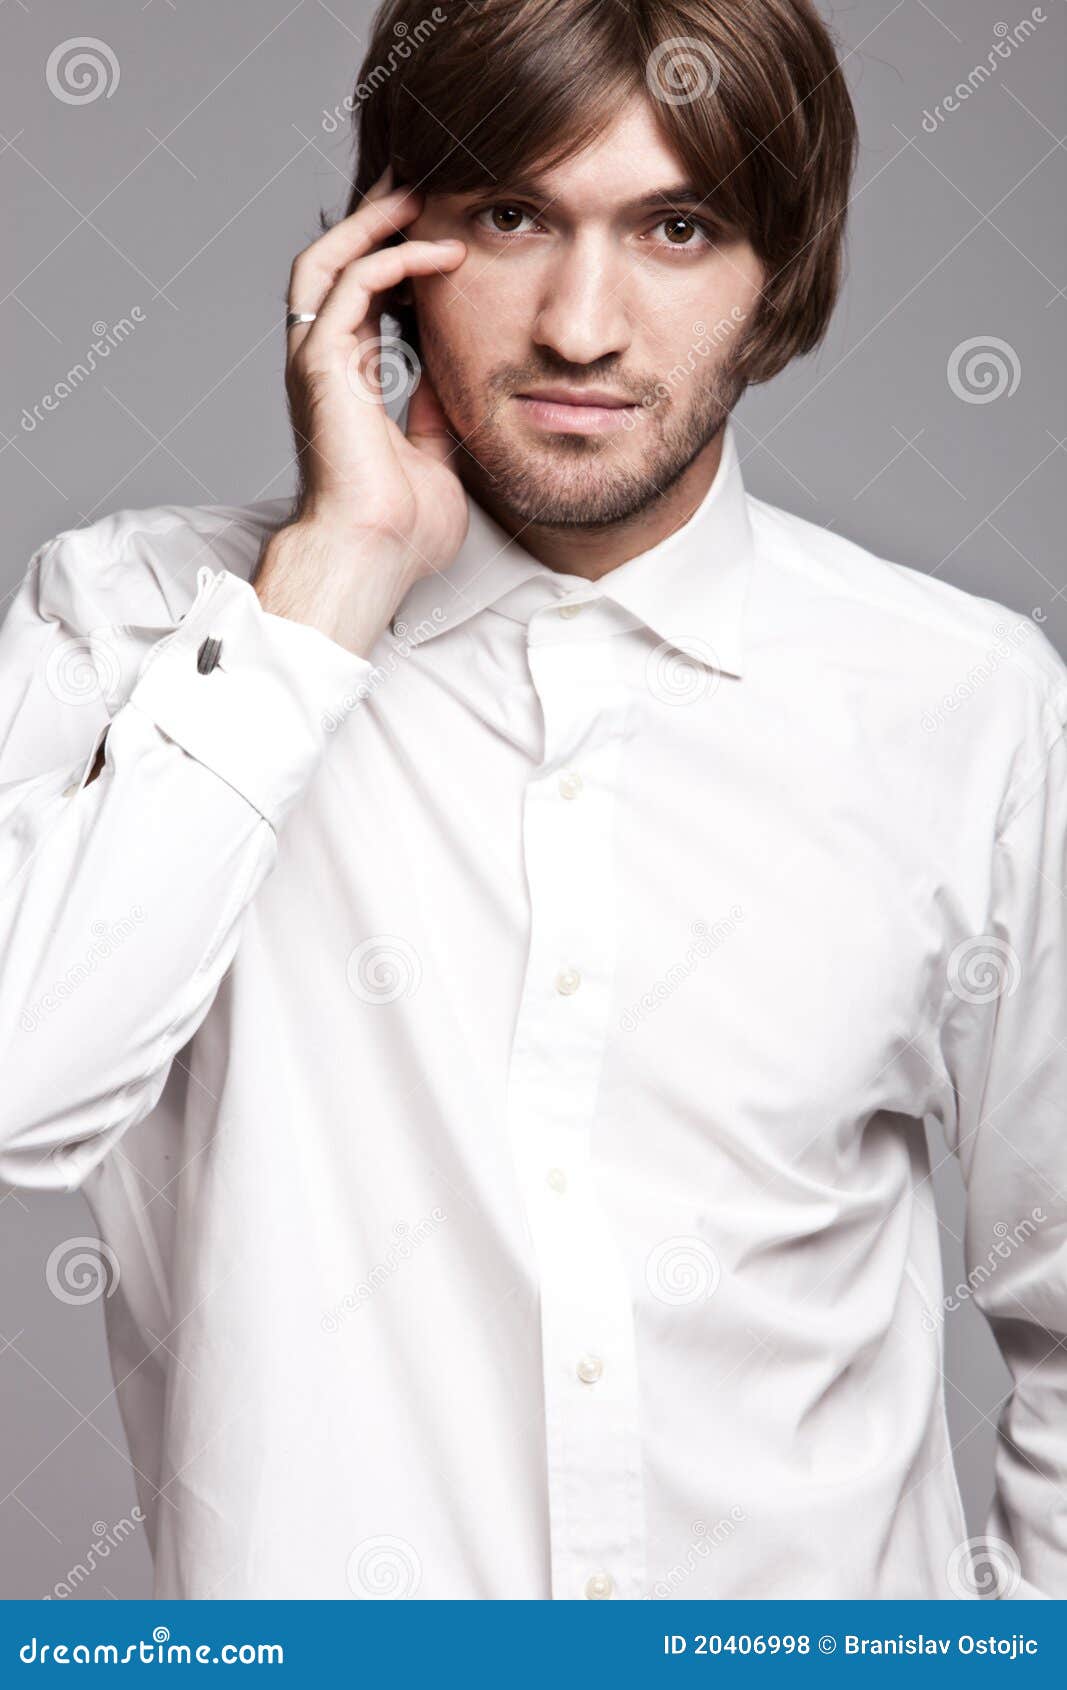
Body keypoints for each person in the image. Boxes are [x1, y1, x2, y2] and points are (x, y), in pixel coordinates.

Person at [1, 0, 1064, 1601]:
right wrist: (325, 598)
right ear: (387, 240)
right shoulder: (139, 621)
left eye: (677, 227)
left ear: (782, 271)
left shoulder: (966, 699)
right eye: (513, 215)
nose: (582, 324)